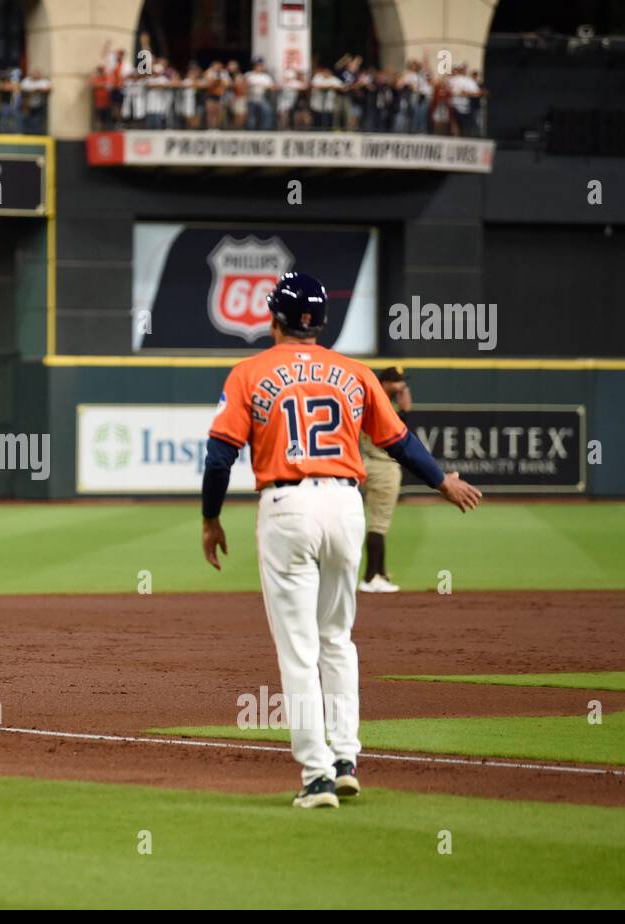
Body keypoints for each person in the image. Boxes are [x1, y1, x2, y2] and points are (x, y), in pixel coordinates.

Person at [201, 272, 482, 808]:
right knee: (337, 638)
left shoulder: (249, 372)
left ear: (273, 319)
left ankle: (317, 775)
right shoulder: (354, 372)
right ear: (321, 322)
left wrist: (210, 519)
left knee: (299, 650)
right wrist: (442, 480)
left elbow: (220, 454)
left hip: (288, 506)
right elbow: (398, 441)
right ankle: (348, 756)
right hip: (345, 504)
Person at [359, 367, 412, 593]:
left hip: (371, 462)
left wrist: (400, 393)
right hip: (383, 465)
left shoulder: (370, 401)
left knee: (377, 523)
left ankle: (379, 573)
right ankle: (371, 577)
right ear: (386, 383)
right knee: (378, 524)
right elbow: (404, 420)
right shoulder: (380, 404)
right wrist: (402, 396)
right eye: (398, 382)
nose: (402, 386)